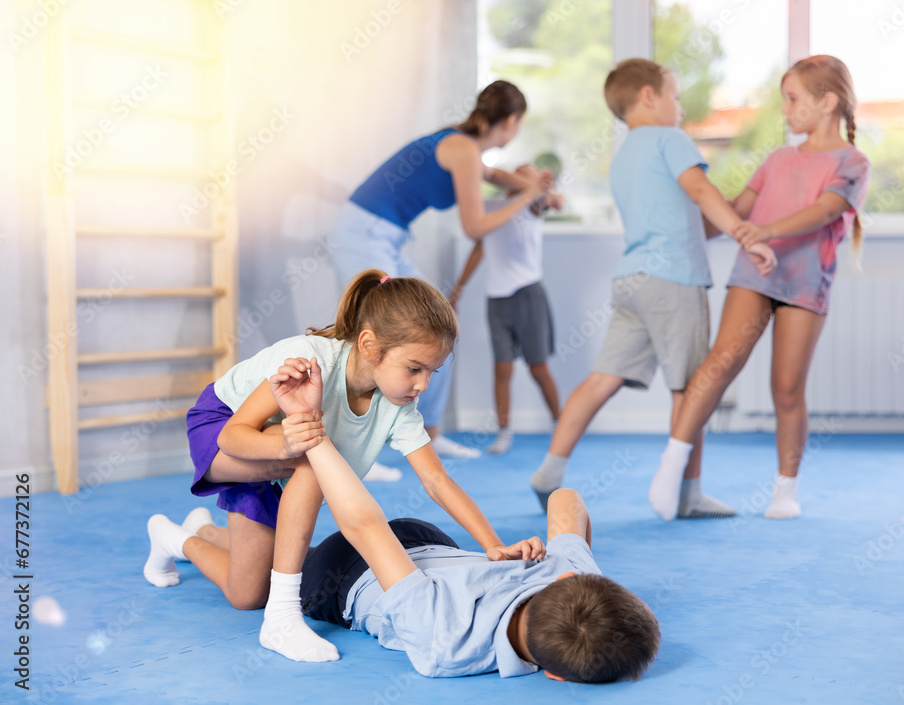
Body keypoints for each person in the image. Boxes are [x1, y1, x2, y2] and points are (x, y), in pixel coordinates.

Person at [144, 269, 544, 664]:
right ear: (369, 345)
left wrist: (492, 545)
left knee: (246, 593)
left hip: (282, 455)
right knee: (313, 455)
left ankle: (180, 537)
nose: (423, 384)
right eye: (414, 368)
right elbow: (232, 436)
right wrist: (284, 442)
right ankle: (282, 616)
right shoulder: (307, 363)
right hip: (224, 428)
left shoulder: (399, 406)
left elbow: (437, 480)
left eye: (431, 372)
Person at [268, 355, 660, 681]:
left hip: (343, 577)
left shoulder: (446, 644)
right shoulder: (452, 645)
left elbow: (366, 529)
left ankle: (202, 535)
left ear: (567, 581)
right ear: (556, 674)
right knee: (268, 556)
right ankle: (211, 532)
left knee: (251, 584)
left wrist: (311, 428)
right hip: (427, 541)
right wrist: (508, 558)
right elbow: (565, 499)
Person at [528, 59, 778, 520]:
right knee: (692, 389)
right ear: (648, 96)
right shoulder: (671, 139)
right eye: (676, 96)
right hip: (674, 282)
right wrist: (745, 232)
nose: (680, 107)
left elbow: (691, 221)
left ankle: (549, 470)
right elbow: (702, 192)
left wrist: (736, 211)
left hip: (632, 280)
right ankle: (688, 494)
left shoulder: (624, 155)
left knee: (603, 378)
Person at [653, 55, 871, 520]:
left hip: (805, 286)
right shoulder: (777, 159)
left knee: (787, 389)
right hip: (755, 273)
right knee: (719, 363)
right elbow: (736, 209)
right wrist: (684, 217)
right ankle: (671, 464)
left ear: (827, 101)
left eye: (792, 99)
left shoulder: (853, 161)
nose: (785, 110)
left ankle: (785, 489)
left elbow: (826, 211)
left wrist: (767, 231)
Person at [328, 80, 555, 462]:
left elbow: (502, 180)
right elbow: (475, 227)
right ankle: (349, 451)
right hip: (362, 231)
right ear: (512, 121)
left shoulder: (466, 149)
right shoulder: (462, 148)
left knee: (438, 323)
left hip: (388, 237)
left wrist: (539, 191)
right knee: (369, 335)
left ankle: (427, 436)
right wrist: (532, 195)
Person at [449, 161, 564, 454]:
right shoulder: (491, 207)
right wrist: (459, 287)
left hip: (528, 294)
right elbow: (480, 247)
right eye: (521, 172)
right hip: (496, 299)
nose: (524, 176)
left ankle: (560, 425)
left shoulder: (532, 206)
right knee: (502, 370)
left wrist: (546, 192)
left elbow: (553, 202)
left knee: (538, 369)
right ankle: (504, 432)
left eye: (531, 174)